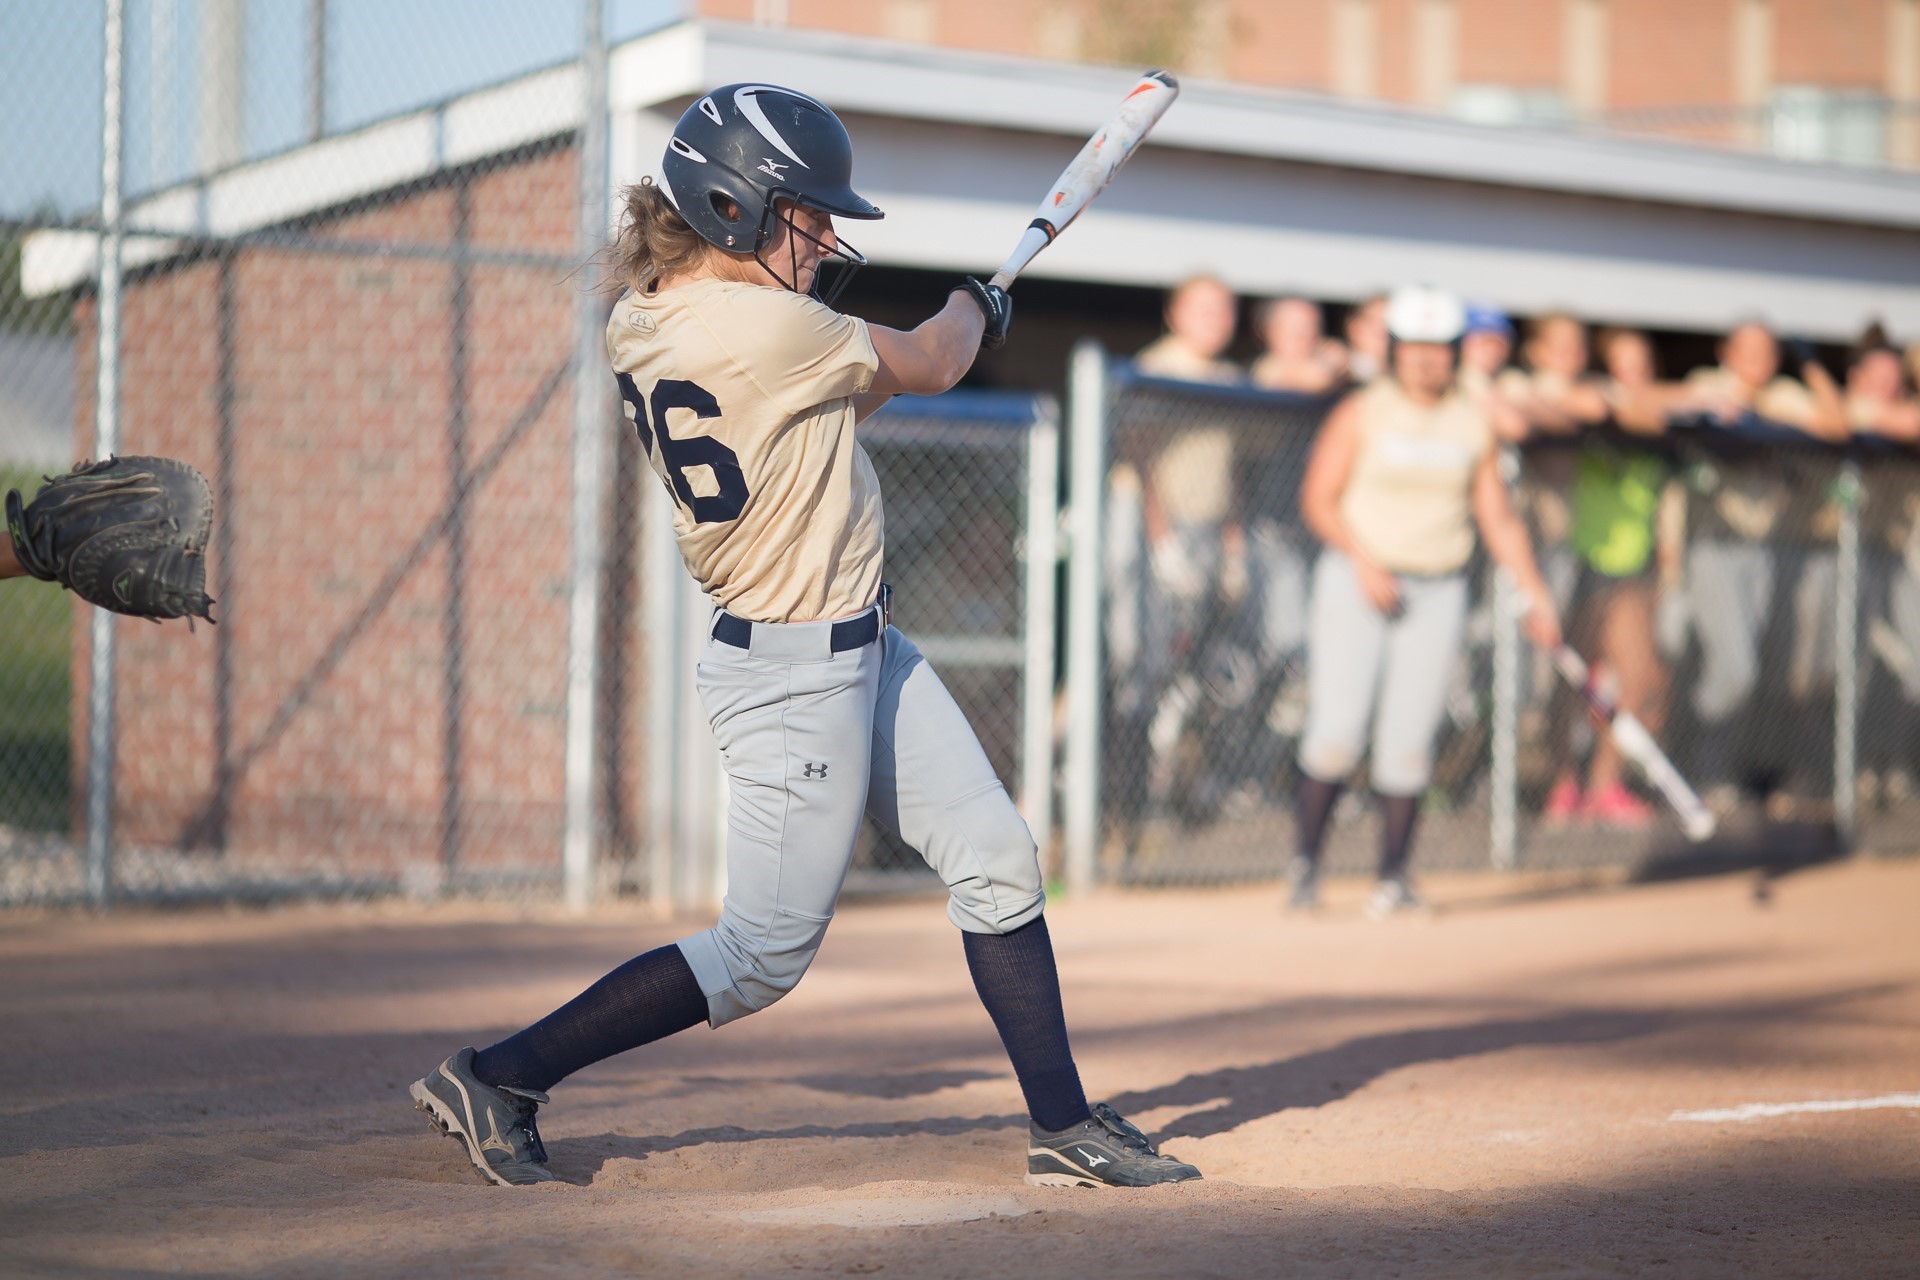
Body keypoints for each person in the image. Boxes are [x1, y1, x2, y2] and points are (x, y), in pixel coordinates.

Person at [409, 84, 1201, 1191]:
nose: (826, 236)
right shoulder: (773, 324)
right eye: (806, 213)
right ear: (732, 208)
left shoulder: (648, 312)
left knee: (997, 859)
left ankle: (1061, 1121)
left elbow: (821, 415)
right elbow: (929, 359)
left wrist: (949, 328)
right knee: (760, 955)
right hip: (791, 672)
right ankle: (500, 1072)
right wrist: (978, 305)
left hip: (858, 644)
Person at [1289, 286, 1561, 917]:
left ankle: (1394, 877)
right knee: (1338, 729)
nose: (1425, 360)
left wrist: (1535, 590)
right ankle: (1306, 866)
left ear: (1455, 352)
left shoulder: (1472, 418)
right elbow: (1318, 501)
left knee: (1409, 738)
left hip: (1438, 586)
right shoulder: (1363, 411)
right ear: (1393, 351)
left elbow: (1497, 517)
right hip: (1357, 580)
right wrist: (1364, 559)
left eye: (1438, 348)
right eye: (1413, 347)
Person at [1677, 321, 1846, 809]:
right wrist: (1721, 410)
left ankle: (1722, 775)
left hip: (1765, 549)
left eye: (1767, 351)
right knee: (1733, 666)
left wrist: (1810, 366)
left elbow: (1836, 427)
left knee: (1760, 668)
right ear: (1725, 350)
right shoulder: (1706, 383)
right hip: (1712, 541)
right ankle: (1698, 772)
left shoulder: (1782, 393)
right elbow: (1654, 408)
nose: (1757, 360)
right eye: (1746, 349)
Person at [1107, 276, 1248, 822]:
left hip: (1208, 529)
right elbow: (1139, 455)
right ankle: (1122, 804)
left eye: (1224, 308)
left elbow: (1229, 468)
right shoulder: (1157, 365)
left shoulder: (1231, 378)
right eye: (1203, 307)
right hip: (1152, 530)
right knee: (1138, 663)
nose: (1217, 318)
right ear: (1175, 314)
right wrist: (1162, 544)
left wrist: (1233, 547)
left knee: (1193, 671)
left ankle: (1175, 796)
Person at [1540, 328, 1680, 827]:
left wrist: (1668, 566)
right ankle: (1561, 784)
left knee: (1643, 684)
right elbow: (1590, 405)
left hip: (1632, 571)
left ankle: (1605, 783)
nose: (1635, 378)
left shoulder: (1659, 425)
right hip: (1581, 563)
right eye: (1623, 366)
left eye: (1643, 366)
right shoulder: (1588, 406)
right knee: (1572, 683)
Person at [1250, 295, 1348, 394]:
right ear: (1268, 330)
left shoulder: (1325, 362)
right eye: (1292, 327)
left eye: (1310, 327)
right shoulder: (1267, 369)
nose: (1303, 336)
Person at [1342, 292, 1390, 385]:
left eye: (1387, 323)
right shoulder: (1340, 370)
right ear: (1353, 327)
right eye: (1371, 322)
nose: (1380, 330)